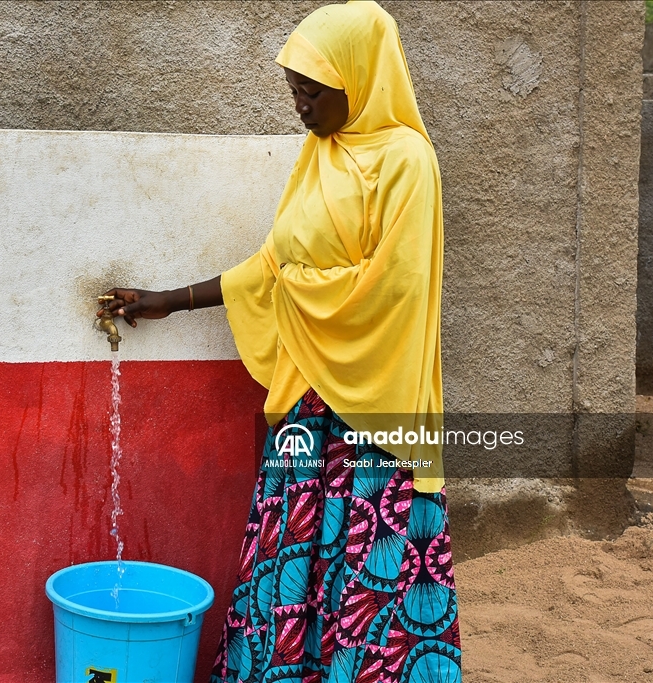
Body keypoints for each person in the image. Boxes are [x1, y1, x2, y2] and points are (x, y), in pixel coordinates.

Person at [99, 2, 461, 681]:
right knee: (293, 546)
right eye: (293, 88)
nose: (300, 104)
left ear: (360, 78)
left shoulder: (408, 162)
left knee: (368, 556)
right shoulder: (317, 157)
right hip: (308, 397)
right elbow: (273, 264)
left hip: (373, 408)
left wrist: (302, 288)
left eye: (312, 90)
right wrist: (170, 301)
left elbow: (399, 286)